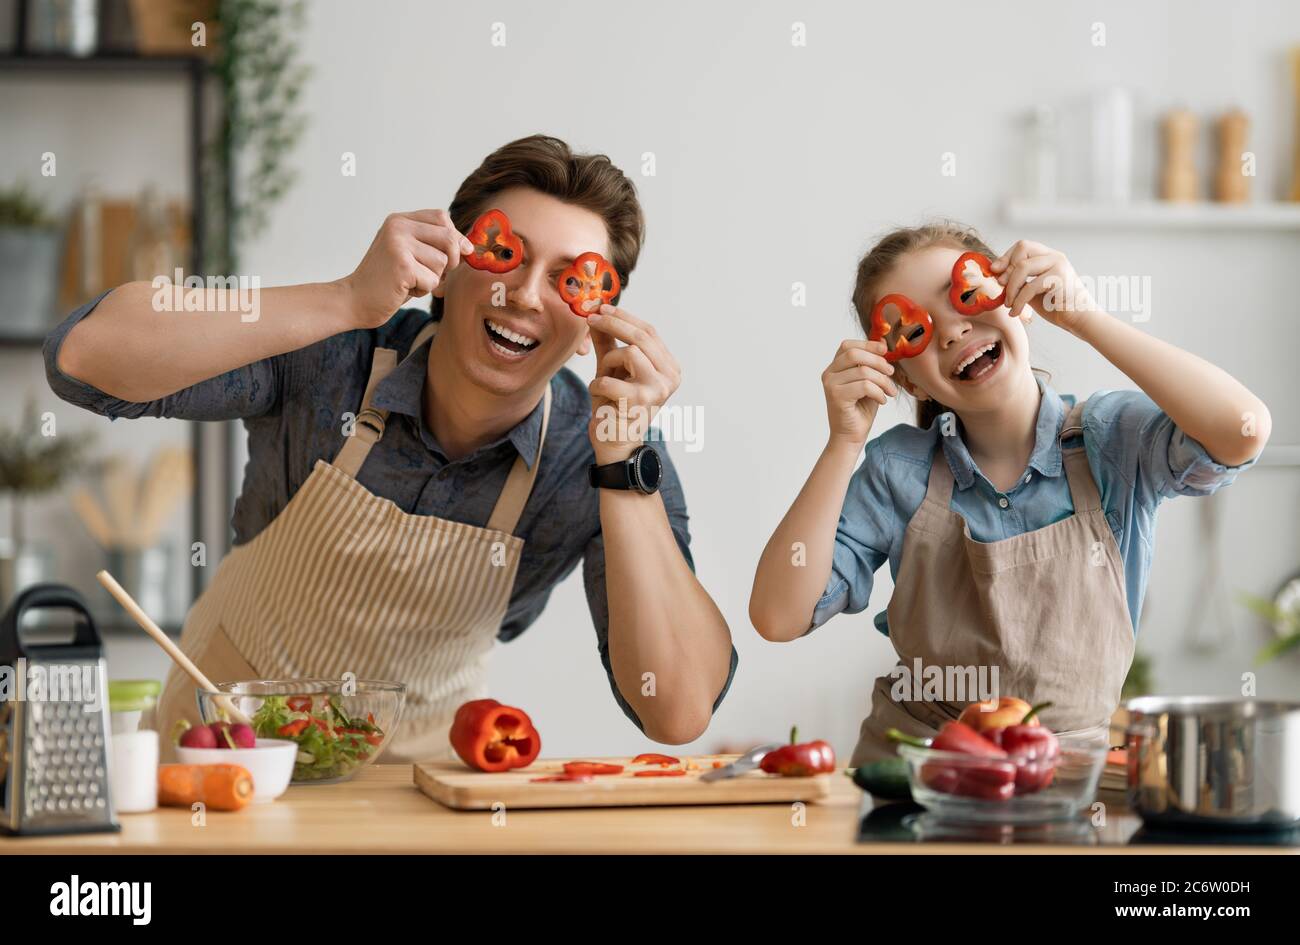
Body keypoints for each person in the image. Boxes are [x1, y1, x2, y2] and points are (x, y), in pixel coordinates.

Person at [46, 134, 736, 762]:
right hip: (217, 765)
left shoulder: (603, 458)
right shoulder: (330, 359)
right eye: (504, 251)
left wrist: (622, 466)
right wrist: (347, 298)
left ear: (594, 323)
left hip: (415, 802)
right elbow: (82, 356)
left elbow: (675, 710)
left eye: (571, 278)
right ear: (449, 266)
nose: (524, 294)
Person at [749, 223, 1270, 765]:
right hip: (912, 777)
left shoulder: (1110, 441)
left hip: (1066, 783)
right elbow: (778, 616)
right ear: (906, 381)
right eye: (916, 330)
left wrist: (1083, 317)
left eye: (968, 293)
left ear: (1019, 302)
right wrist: (843, 443)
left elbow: (1245, 428)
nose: (952, 331)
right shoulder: (896, 469)